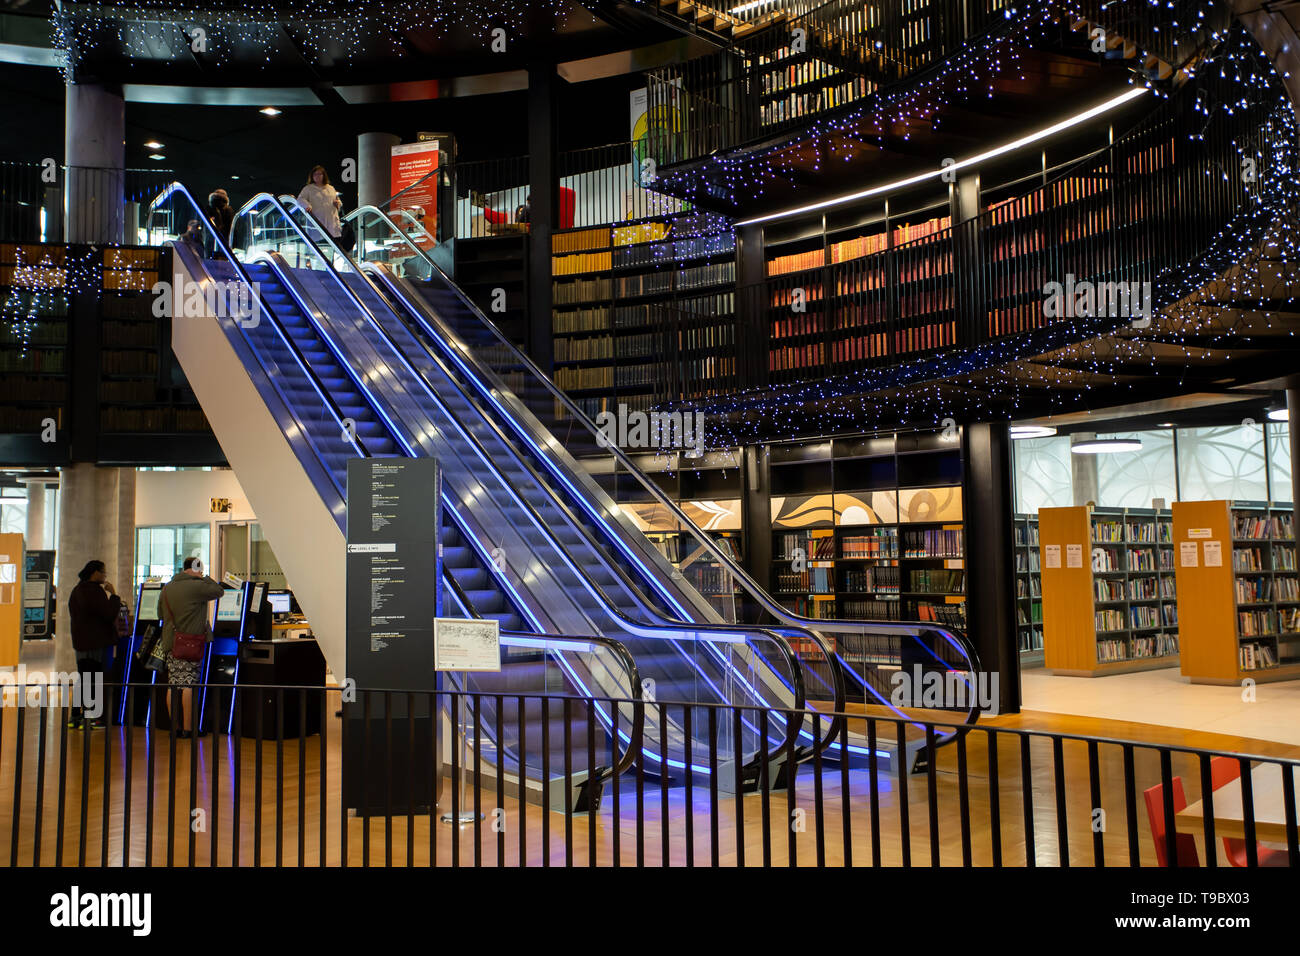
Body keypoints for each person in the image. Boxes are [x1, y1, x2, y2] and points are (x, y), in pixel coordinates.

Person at [159, 556, 223, 738]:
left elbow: (159, 613)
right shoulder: (196, 585)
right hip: (190, 643)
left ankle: (175, 728)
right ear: (195, 569)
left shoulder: (168, 587)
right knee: (189, 684)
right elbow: (218, 591)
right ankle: (189, 729)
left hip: (171, 642)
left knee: (173, 684)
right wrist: (205, 578)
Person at [66, 560, 121, 729]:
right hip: (96, 642)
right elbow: (109, 613)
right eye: (103, 572)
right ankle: (91, 717)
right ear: (95, 573)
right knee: (94, 678)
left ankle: (76, 716)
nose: (105, 576)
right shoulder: (95, 591)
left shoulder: (77, 590)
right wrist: (114, 595)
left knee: (83, 677)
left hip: (80, 642)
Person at [297, 165, 344, 244]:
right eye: (315, 174)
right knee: (320, 246)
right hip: (317, 223)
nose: (317, 176)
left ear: (323, 175)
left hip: (332, 224)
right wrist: (307, 205)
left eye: (319, 174)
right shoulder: (308, 188)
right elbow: (300, 199)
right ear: (312, 176)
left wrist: (338, 203)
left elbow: (338, 201)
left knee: (333, 246)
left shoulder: (330, 188)